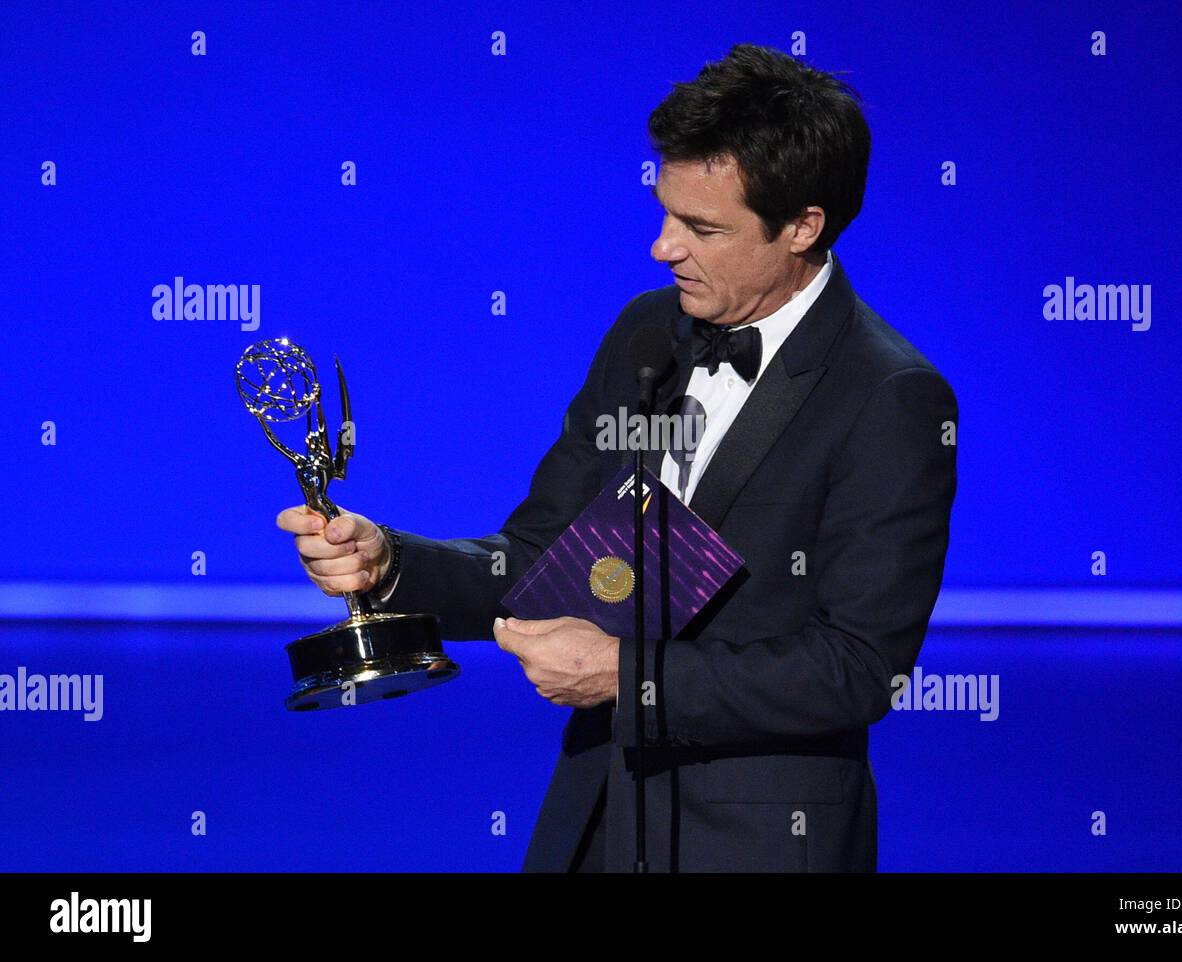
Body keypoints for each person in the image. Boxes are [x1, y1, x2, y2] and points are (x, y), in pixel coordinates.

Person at [277, 43, 957, 872]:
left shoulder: (889, 395)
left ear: (803, 227)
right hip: (595, 819)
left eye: (702, 227)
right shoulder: (649, 332)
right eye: (666, 211)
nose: (662, 247)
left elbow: (858, 668)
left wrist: (631, 676)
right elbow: (540, 557)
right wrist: (389, 565)